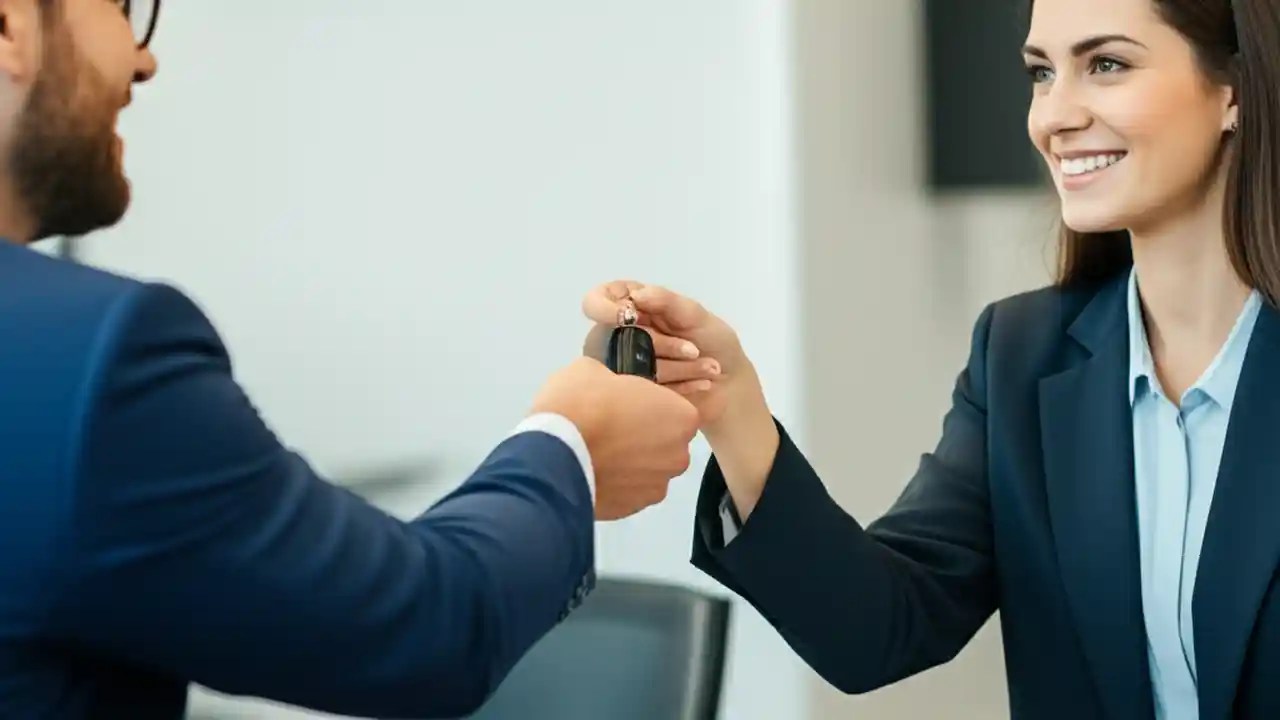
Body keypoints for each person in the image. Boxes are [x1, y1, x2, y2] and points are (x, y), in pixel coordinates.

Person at [0, 1, 707, 718]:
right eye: (123, 8)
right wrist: (574, 448)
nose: (144, 58)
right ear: (9, 27)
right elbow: (432, 627)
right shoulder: (97, 360)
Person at [582, 0, 1280, 717]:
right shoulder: (1021, 357)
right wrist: (731, 406)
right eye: (1042, 73)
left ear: (1234, 90)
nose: (1054, 116)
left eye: (1106, 64)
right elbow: (875, 630)